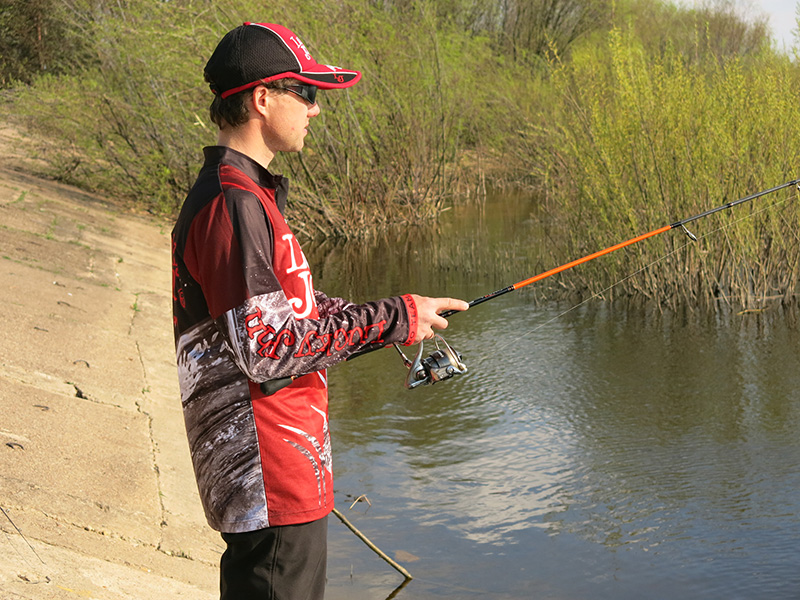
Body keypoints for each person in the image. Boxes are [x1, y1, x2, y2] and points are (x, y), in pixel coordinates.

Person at [170, 22, 468, 599]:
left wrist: (400, 317)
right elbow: (268, 348)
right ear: (262, 98)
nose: (315, 110)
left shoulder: (244, 196)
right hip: (269, 476)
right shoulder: (233, 203)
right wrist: (391, 316)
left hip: (280, 471)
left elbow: (294, 313)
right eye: (305, 93)